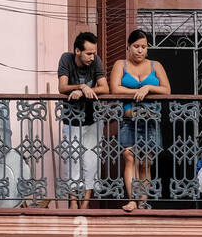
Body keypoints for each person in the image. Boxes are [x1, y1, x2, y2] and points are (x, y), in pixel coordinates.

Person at [109, 29, 171, 212]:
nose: (140, 51)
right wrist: (139, 92)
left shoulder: (155, 65)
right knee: (129, 157)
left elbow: (167, 90)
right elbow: (114, 88)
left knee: (145, 162)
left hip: (151, 121)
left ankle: (143, 202)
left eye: (144, 47)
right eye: (136, 46)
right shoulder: (120, 64)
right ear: (128, 47)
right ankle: (132, 200)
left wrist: (149, 87)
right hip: (129, 120)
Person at [57, 32, 109, 210]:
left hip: (93, 118)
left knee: (91, 160)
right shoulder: (66, 59)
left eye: (94, 53)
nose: (92, 57)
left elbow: (105, 87)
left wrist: (88, 89)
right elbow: (62, 87)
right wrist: (81, 86)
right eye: (88, 53)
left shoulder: (96, 61)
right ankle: (73, 202)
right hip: (71, 119)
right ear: (77, 51)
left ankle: (86, 204)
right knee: (73, 160)